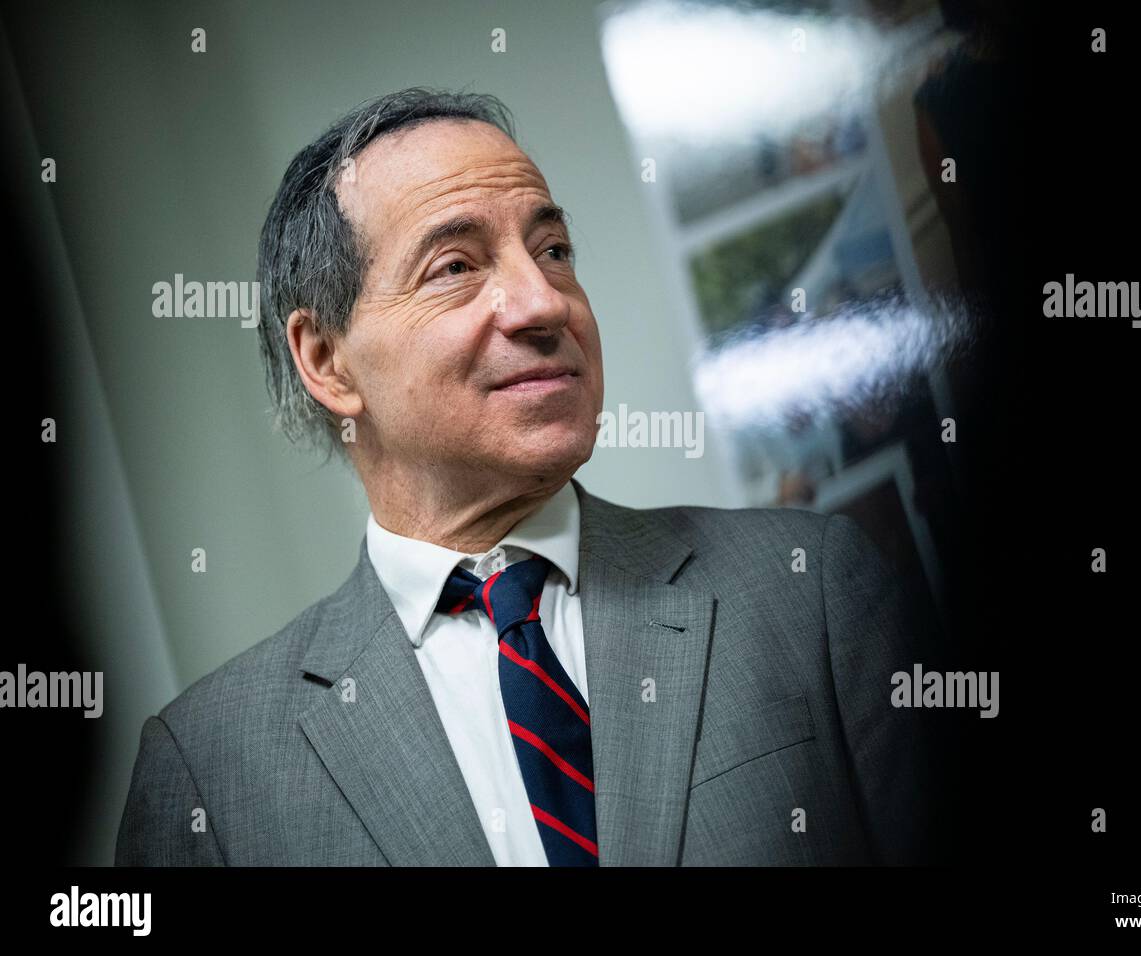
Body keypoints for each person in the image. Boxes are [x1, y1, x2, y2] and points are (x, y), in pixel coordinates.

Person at [115, 89, 935, 866]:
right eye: (456, 267)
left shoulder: (810, 592)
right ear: (327, 362)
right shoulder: (209, 771)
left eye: (553, 250)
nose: (544, 303)